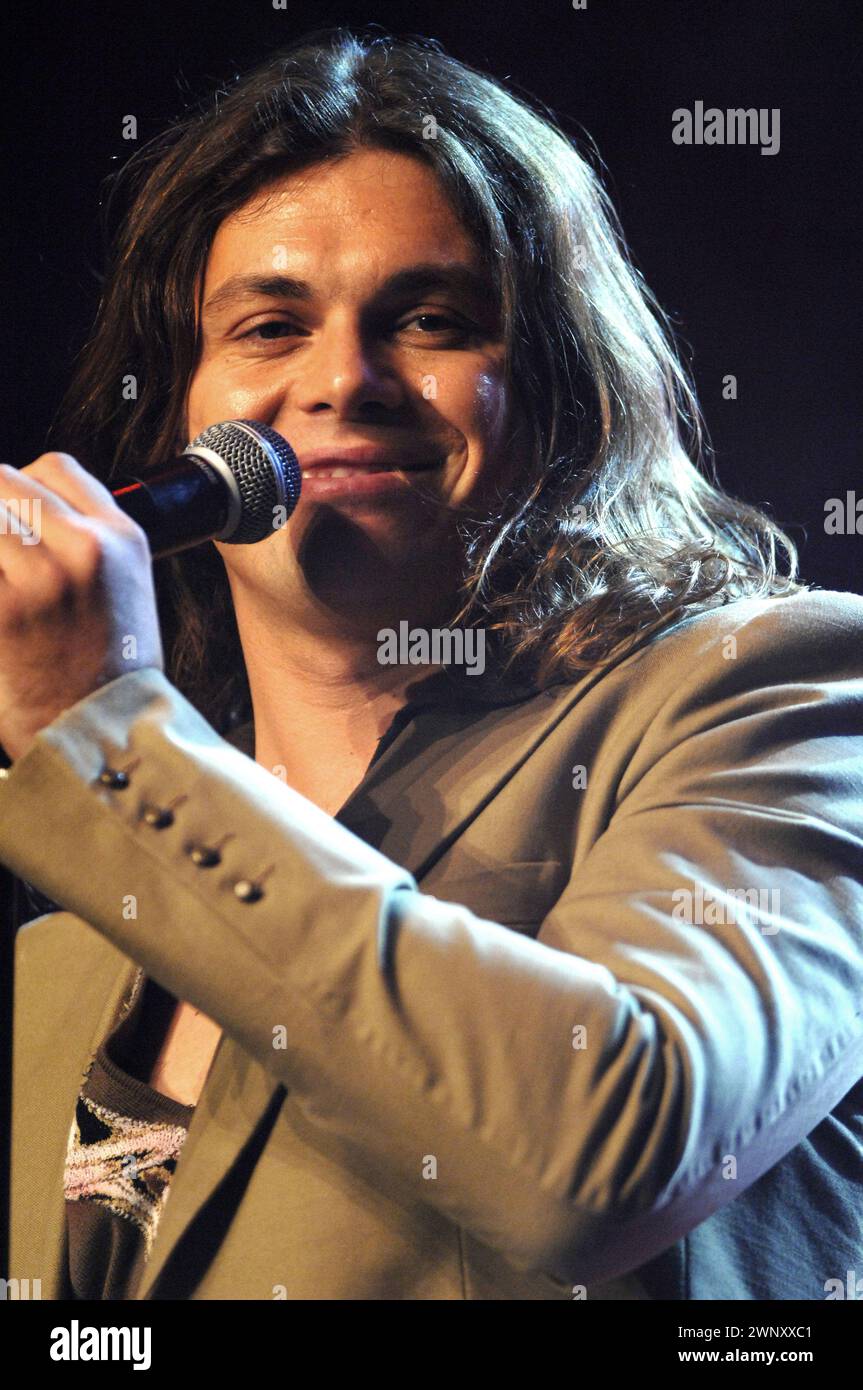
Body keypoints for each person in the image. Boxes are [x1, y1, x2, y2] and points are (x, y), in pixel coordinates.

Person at [1, 27, 862, 1302]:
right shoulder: (55, 969)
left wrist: (105, 730)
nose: (341, 380)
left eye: (428, 320)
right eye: (270, 326)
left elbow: (609, 1150)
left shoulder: (777, 699)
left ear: (561, 389)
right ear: (176, 412)